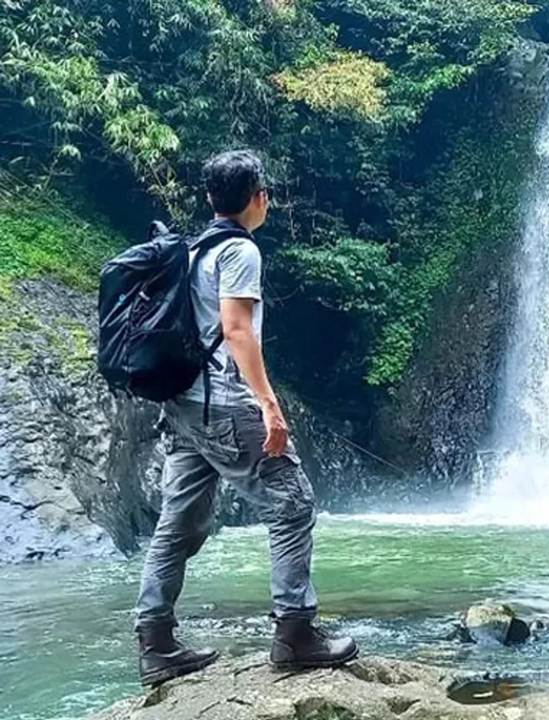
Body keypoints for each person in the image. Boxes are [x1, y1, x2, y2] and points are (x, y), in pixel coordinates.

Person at [133, 150, 357, 686]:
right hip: (226, 404)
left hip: (184, 407)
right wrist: (269, 405)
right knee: (293, 502)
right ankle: (295, 632)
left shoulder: (189, 251)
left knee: (178, 522)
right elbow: (236, 331)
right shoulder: (239, 251)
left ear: (211, 198)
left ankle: (156, 643)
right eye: (266, 193)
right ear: (257, 197)